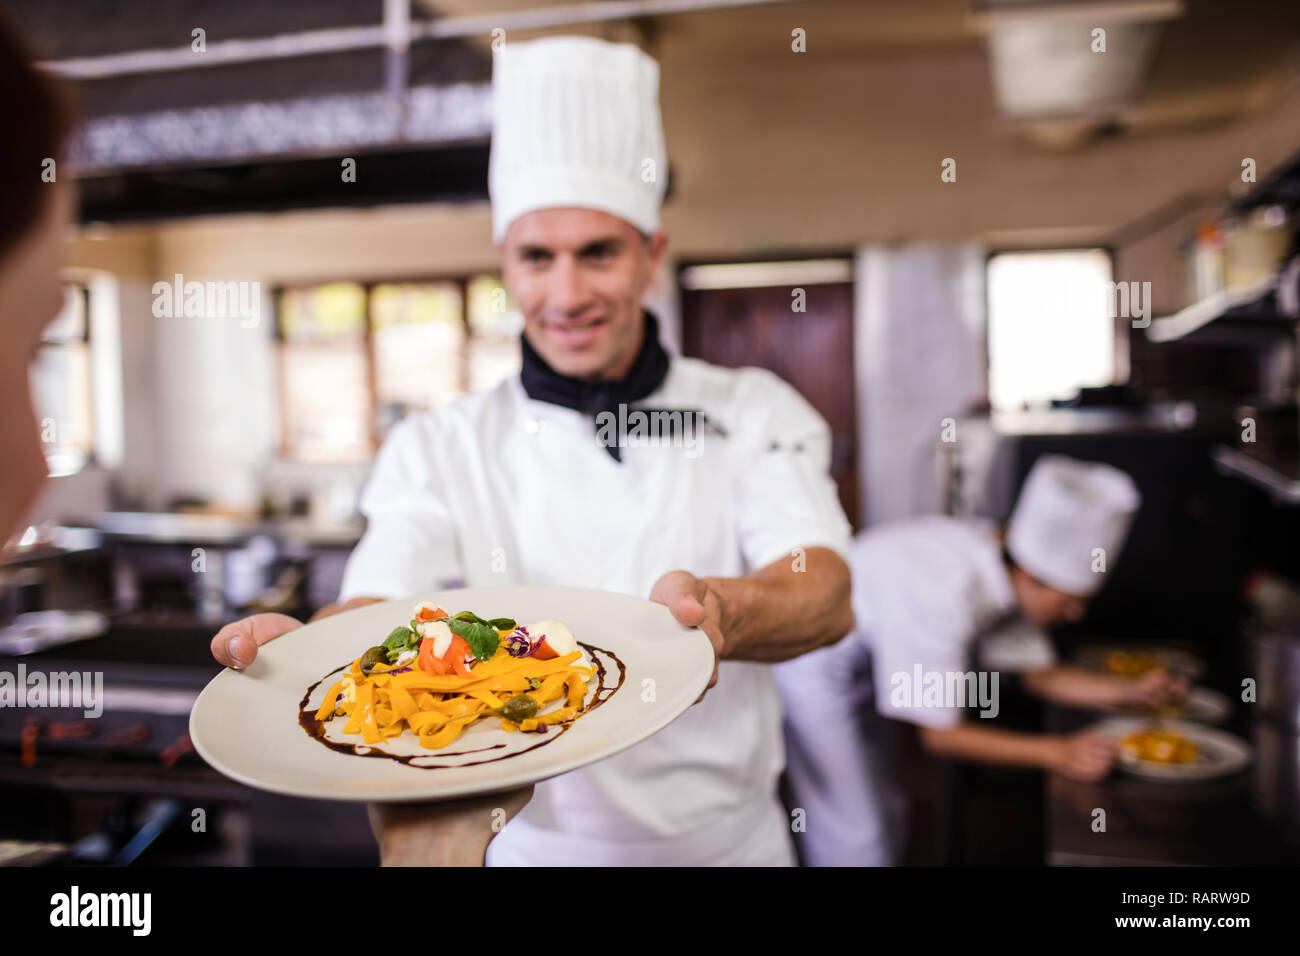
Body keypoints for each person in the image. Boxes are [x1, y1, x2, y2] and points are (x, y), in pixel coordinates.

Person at [212, 35, 854, 866]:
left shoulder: (751, 408)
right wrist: (306, 647)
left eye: (599, 252)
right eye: (537, 258)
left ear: (653, 254)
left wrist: (724, 614)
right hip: (521, 849)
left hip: (727, 848)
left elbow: (826, 592)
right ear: (507, 268)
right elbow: (380, 606)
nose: (568, 293)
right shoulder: (439, 444)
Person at [774, 454, 1187, 866]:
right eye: (1069, 602)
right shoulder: (941, 589)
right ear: (1031, 575)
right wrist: (1059, 753)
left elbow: (1040, 676)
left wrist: (1133, 692)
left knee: (889, 806)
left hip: (864, 670)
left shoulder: (1004, 570)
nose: (1074, 615)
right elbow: (941, 736)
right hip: (811, 670)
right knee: (855, 831)